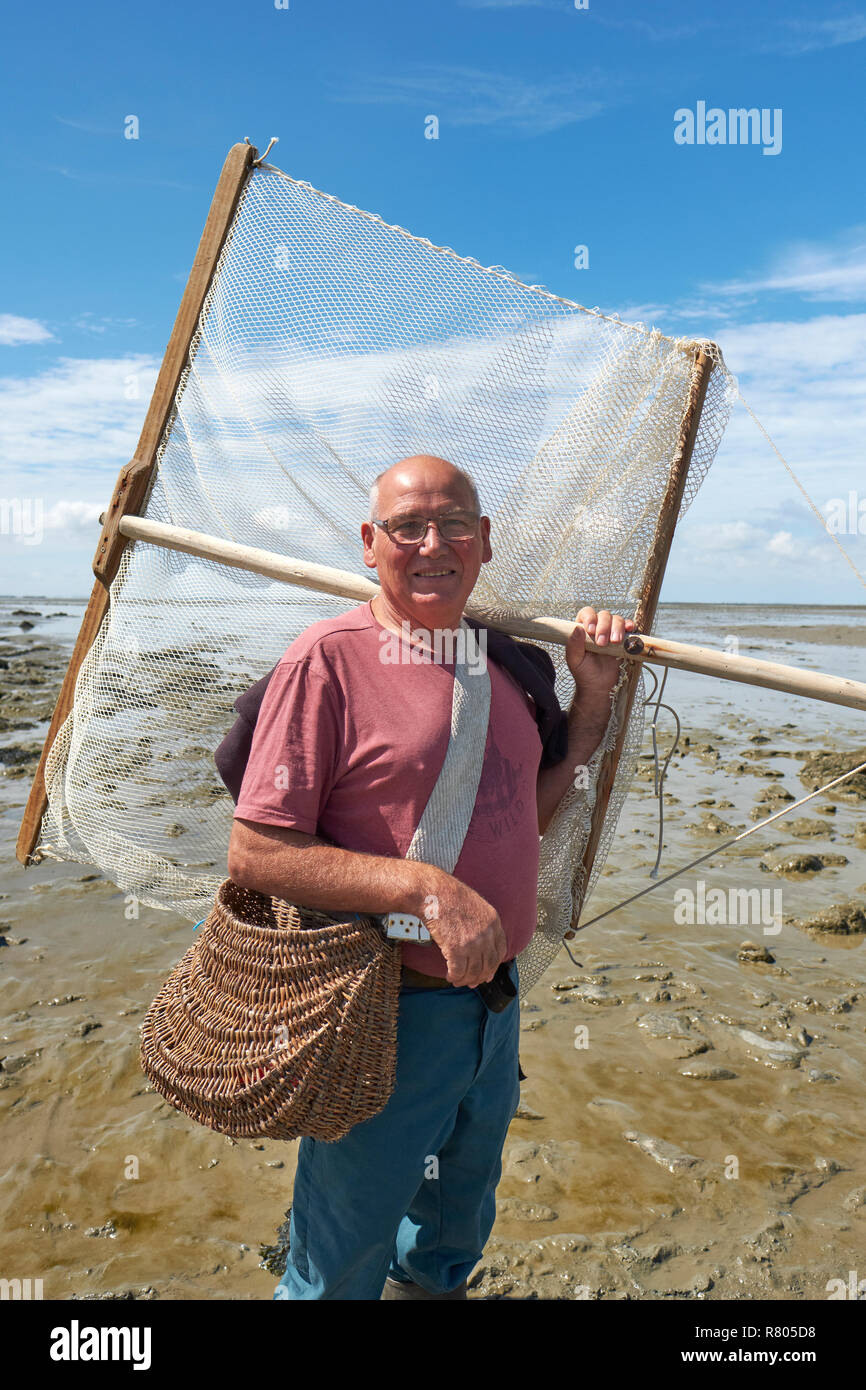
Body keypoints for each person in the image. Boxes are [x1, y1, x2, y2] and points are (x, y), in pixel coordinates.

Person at [227, 453, 634, 1300]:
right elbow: (258, 850)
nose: (431, 542)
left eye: (453, 523)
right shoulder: (328, 661)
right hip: (381, 1009)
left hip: (493, 1005)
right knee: (338, 1255)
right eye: (406, 526)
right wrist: (424, 889)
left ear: (484, 542)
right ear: (371, 546)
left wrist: (591, 692)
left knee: (452, 1231)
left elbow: (530, 805)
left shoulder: (507, 663)